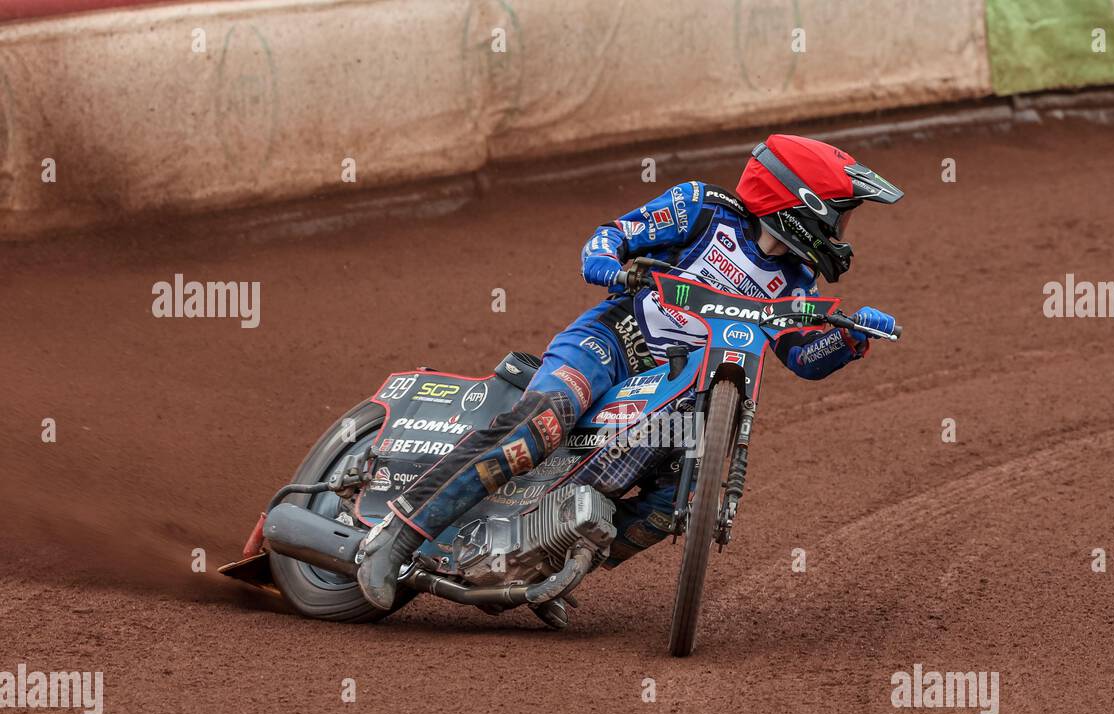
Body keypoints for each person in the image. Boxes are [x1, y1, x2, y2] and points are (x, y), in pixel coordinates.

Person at [356, 133, 904, 609]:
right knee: (545, 422)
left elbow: (803, 357)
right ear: (803, 207)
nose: (844, 233)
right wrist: (609, 267)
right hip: (612, 342)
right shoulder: (702, 207)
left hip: (679, 386)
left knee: (674, 502)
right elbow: (610, 237)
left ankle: (535, 565)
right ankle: (397, 537)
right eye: (841, 216)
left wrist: (851, 338)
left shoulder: (797, 280)